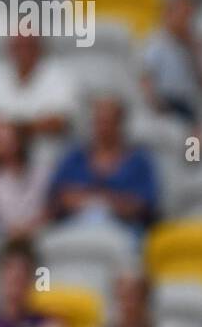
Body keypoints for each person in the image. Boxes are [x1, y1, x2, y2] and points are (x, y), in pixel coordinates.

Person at [47, 95, 159, 236]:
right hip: (75, 225)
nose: (102, 127)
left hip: (123, 228)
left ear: (120, 124)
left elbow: (144, 204)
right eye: (98, 121)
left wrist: (105, 203)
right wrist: (90, 201)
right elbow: (58, 196)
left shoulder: (139, 161)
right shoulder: (75, 158)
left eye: (108, 122)